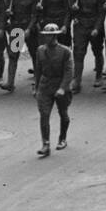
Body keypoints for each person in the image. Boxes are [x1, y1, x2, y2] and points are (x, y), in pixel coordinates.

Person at [33, 22, 73, 157]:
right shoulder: (40, 50)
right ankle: (46, 144)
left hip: (60, 84)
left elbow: (69, 72)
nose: (47, 38)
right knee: (44, 115)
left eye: (50, 36)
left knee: (63, 113)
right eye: (46, 36)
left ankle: (62, 138)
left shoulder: (65, 51)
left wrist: (63, 88)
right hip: (45, 85)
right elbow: (38, 70)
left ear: (55, 36)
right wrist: (36, 87)